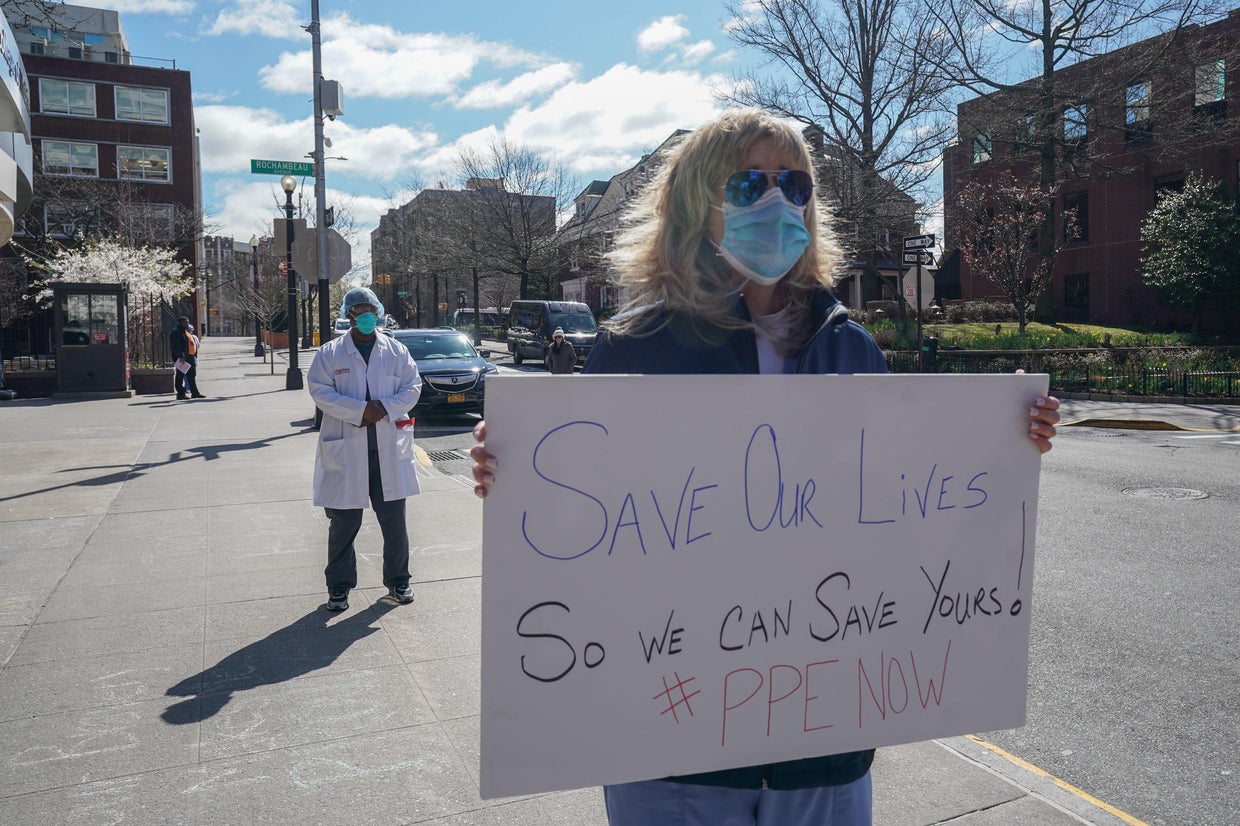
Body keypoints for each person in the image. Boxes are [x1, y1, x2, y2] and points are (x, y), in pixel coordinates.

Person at [470, 109, 1061, 825]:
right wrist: (510, 475)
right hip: (674, 748)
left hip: (823, 745)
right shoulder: (634, 347)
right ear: (697, 202)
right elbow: (580, 525)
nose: (778, 204)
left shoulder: (853, 351)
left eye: (796, 186)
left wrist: (1004, 445)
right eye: (750, 183)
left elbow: (909, 516)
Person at [307, 287, 423, 611]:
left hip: (387, 449)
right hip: (347, 451)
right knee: (344, 525)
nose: (366, 316)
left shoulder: (396, 351)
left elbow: (412, 386)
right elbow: (320, 392)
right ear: (349, 316)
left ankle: (399, 581)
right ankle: (339, 588)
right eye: (358, 310)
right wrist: (359, 411)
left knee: (394, 523)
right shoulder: (330, 353)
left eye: (370, 309)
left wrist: (384, 408)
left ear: (379, 312)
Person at [169, 316, 204, 399]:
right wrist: (181, 356)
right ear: (180, 323)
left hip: (190, 357)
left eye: (187, 322)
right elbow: (176, 346)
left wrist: (194, 355)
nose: (187, 324)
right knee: (180, 376)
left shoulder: (186, 331)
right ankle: (180, 394)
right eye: (185, 322)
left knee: (191, 376)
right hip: (182, 358)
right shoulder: (176, 332)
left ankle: (195, 393)